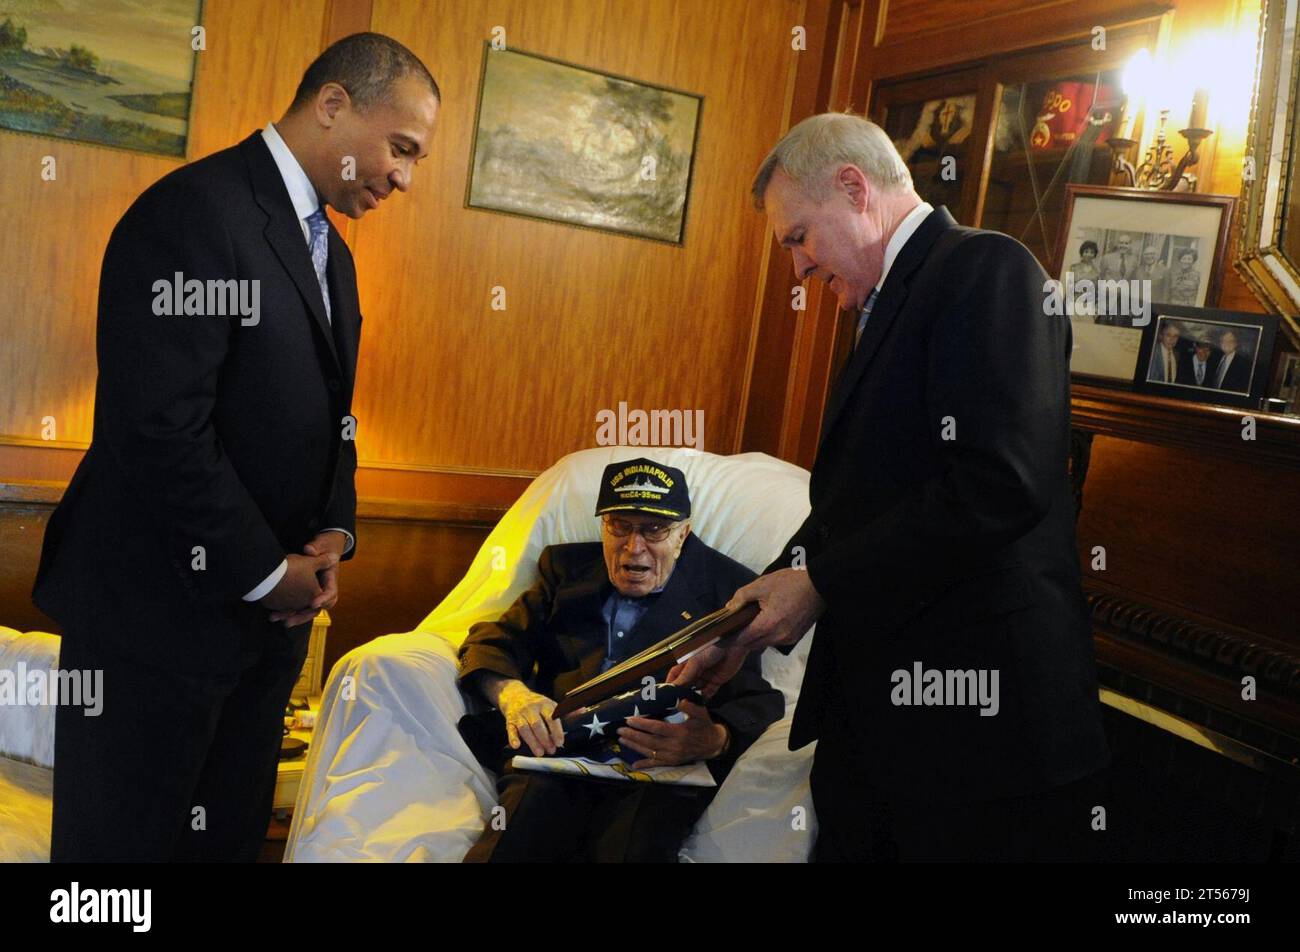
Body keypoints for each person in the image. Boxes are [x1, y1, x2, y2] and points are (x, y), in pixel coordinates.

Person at [32, 32, 440, 862]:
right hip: (153, 623)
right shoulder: (192, 212)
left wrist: (335, 531)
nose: (405, 178)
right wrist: (265, 569)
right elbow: (156, 428)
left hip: (263, 633)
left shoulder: (335, 258)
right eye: (401, 148)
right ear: (333, 105)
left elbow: (333, 417)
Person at [673, 112, 1109, 862]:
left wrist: (822, 584)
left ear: (853, 187)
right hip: (884, 733)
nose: (798, 269)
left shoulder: (988, 269)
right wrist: (738, 626)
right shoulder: (895, 298)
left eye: (798, 237)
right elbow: (856, 507)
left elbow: (999, 484)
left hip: (979, 742)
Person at [458, 458, 783, 862]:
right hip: (558, 755)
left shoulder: (730, 590)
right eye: (620, 527)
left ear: (683, 534)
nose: (634, 547)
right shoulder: (565, 569)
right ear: (603, 527)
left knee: (630, 847)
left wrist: (715, 739)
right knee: (514, 836)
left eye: (654, 530)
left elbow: (756, 698)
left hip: (655, 767)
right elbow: (493, 641)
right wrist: (514, 697)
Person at [1212, 328, 1252, 392]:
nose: (1226, 343)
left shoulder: (1243, 364)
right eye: (1223, 340)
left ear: (1235, 344)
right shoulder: (1214, 358)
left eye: (1230, 341)